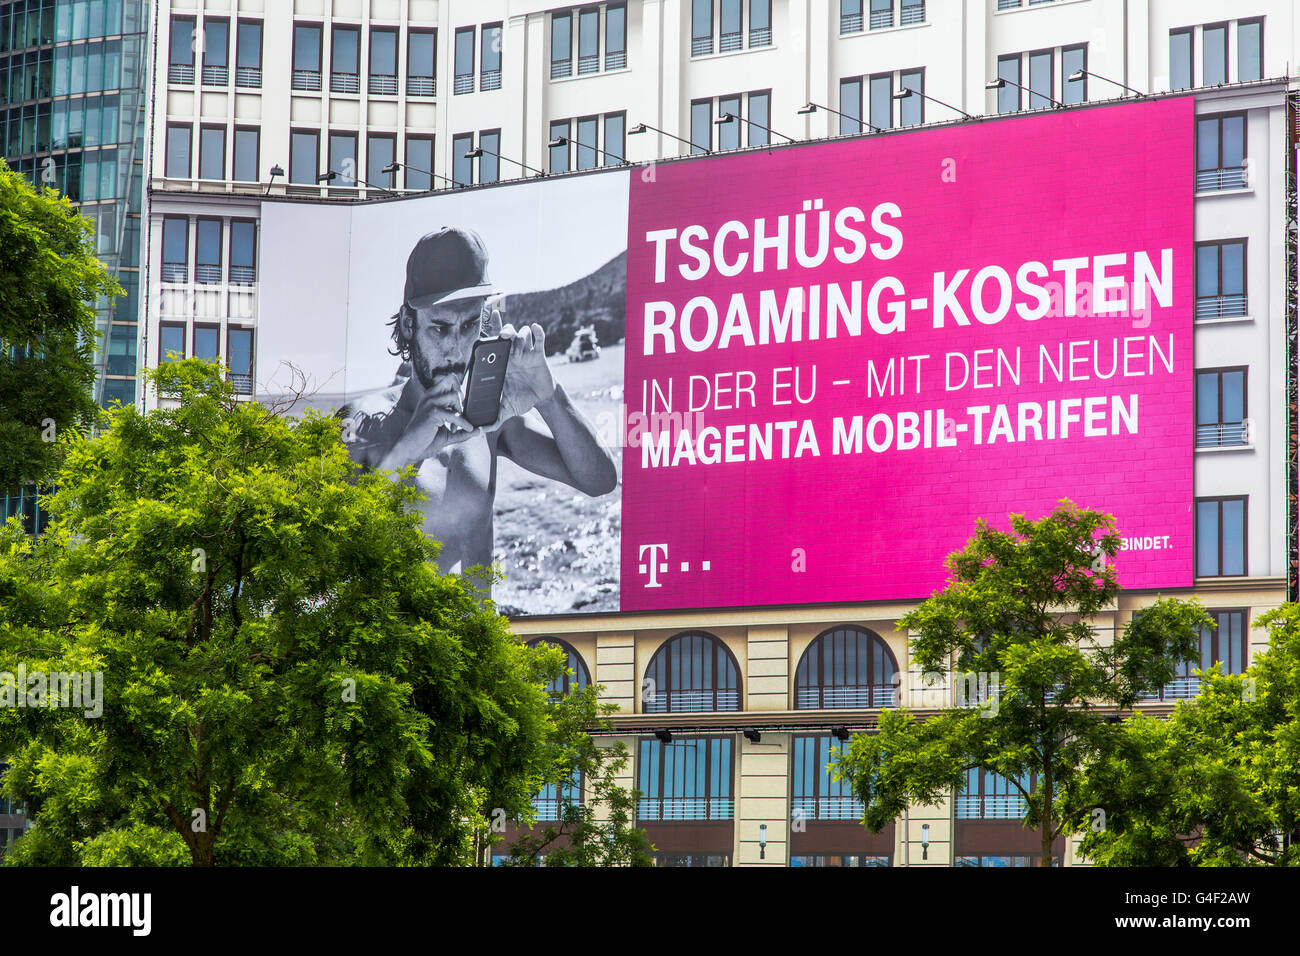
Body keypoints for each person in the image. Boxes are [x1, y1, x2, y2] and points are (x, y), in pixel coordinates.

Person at [339, 227, 618, 574]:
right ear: (409, 326)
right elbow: (328, 558)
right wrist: (407, 451)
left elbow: (599, 481)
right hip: (396, 629)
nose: (456, 347)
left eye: (469, 325)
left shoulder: (489, 420)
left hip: (476, 629)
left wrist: (547, 395)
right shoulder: (360, 421)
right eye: (440, 328)